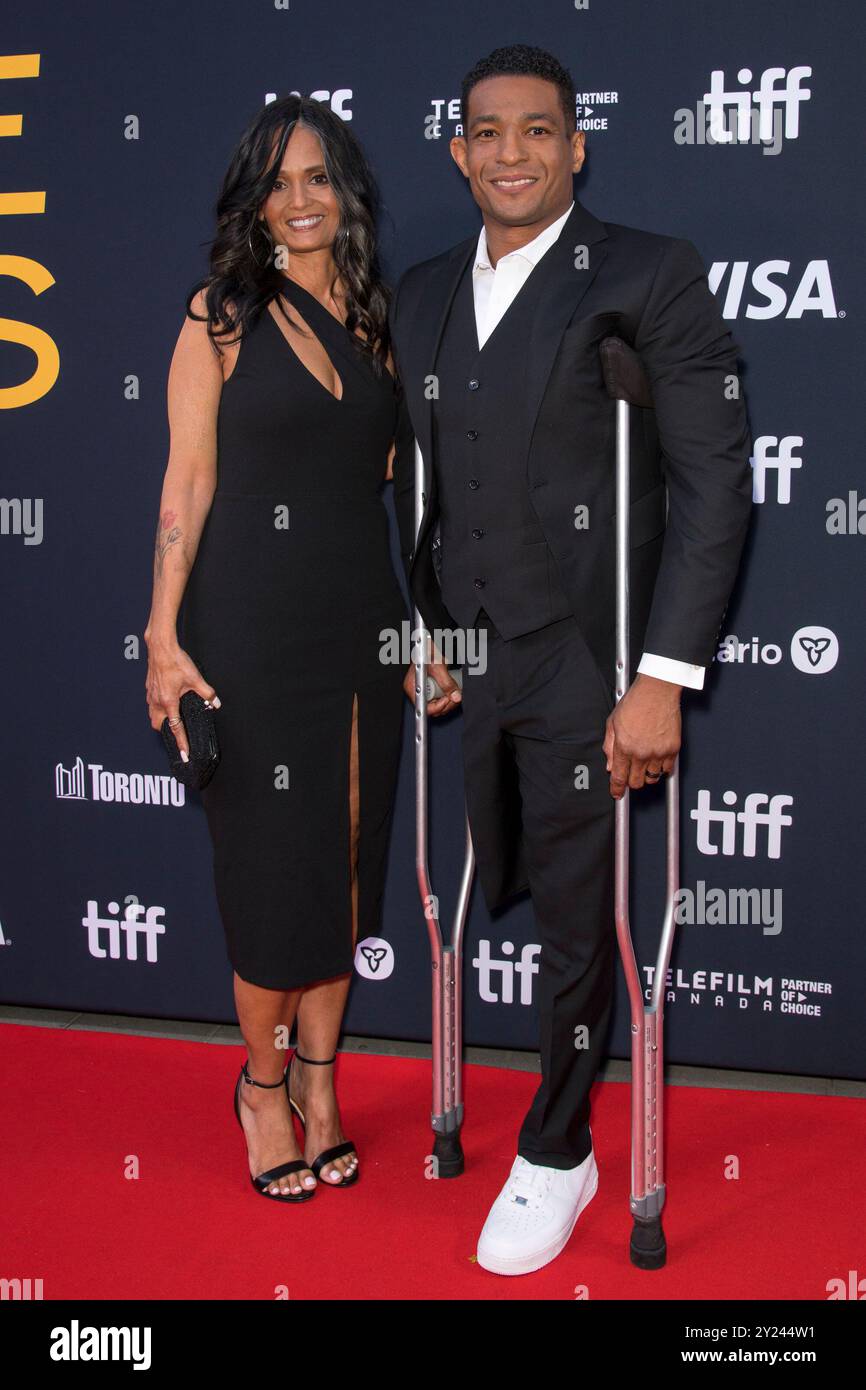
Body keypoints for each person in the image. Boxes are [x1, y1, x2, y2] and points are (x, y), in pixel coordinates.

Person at [390, 45, 753, 1274]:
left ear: (575, 144)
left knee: (574, 914)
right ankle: (529, 1117)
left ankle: (558, 1145)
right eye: (486, 133)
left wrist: (662, 674)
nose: (510, 155)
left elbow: (712, 485)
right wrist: (421, 627)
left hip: (588, 658)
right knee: (508, 882)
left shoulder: (647, 275)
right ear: (457, 149)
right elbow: (420, 487)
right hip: (473, 641)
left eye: (536, 132)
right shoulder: (426, 288)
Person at [144, 96, 431, 1202]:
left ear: (345, 191)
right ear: (251, 201)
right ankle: (260, 1087)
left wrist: (423, 623)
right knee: (273, 870)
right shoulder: (219, 313)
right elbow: (187, 481)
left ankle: (322, 1079)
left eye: (319, 177)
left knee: (345, 858)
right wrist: (163, 634)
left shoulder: (378, 315)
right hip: (249, 625)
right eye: (278, 180)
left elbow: (406, 498)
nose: (300, 199)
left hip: (356, 621)